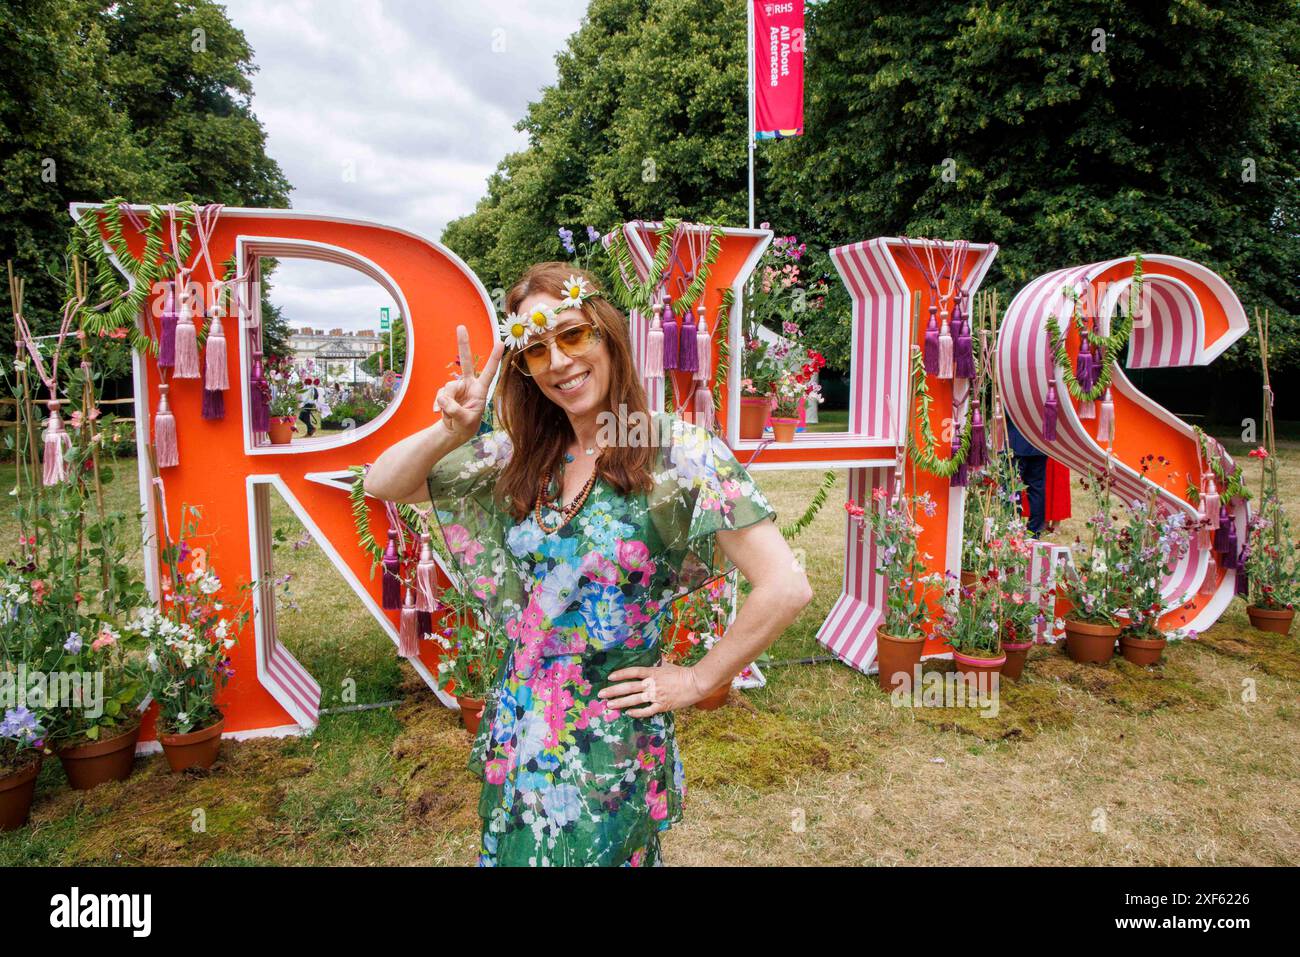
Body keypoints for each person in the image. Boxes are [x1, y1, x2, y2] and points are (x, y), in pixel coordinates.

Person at [363, 262, 812, 866]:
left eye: (572, 335)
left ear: (606, 334)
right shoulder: (521, 455)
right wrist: (453, 430)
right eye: (536, 350)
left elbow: (785, 586)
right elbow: (385, 482)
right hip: (523, 725)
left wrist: (700, 679)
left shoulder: (676, 451)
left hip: (609, 742)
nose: (559, 362)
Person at [1006, 417, 1047, 535]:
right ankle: (1034, 531)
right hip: (1039, 440)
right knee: (1037, 488)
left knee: (1013, 487)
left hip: (1016, 439)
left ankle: (1013, 528)